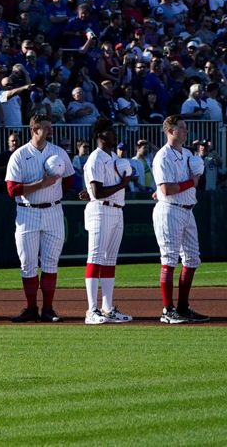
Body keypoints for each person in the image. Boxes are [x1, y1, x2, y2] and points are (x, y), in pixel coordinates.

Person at [4, 114, 70, 322]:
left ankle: (48, 309)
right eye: (46, 128)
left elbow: (69, 181)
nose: (50, 131)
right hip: (27, 212)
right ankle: (31, 308)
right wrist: (42, 184)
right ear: (34, 130)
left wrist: (53, 190)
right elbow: (11, 189)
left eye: (50, 127)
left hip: (53, 210)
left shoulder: (58, 153)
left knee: (50, 263)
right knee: (28, 263)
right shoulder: (19, 155)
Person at [151, 114, 208, 324]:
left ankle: (183, 307)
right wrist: (192, 182)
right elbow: (166, 188)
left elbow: (166, 188)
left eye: (185, 128)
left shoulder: (186, 154)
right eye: (181, 128)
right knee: (169, 259)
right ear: (170, 131)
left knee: (192, 259)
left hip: (187, 209)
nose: (185, 131)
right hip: (170, 210)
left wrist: (193, 179)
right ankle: (168, 310)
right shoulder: (162, 156)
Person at [82, 120, 134, 324]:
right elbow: (97, 192)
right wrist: (123, 184)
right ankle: (91, 310)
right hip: (101, 209)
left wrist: (123, 182)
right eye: (109, 131)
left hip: (116, 209)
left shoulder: (113, 157)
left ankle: (107, 308)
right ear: (100, 135)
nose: (114, 133)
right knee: (95, 257)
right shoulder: (95, 158)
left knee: (110, 260)